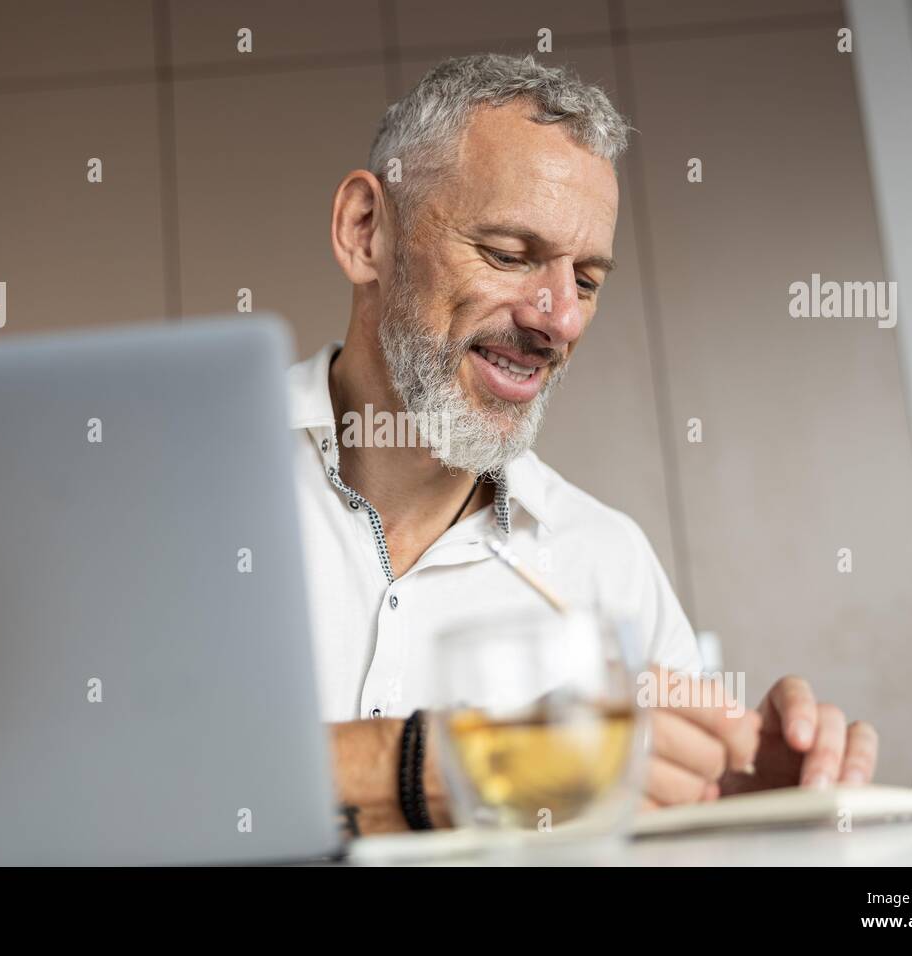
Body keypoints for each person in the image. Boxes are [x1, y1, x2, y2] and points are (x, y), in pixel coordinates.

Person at [291, 53, 878, 833]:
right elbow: (89, 776)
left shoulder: (610, 564)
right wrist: (440, 765)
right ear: (366, 232)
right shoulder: (153, 499)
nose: (558, 320)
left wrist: (726, 819)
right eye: (508, 254)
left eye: (589, 281)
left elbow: (655, 841)